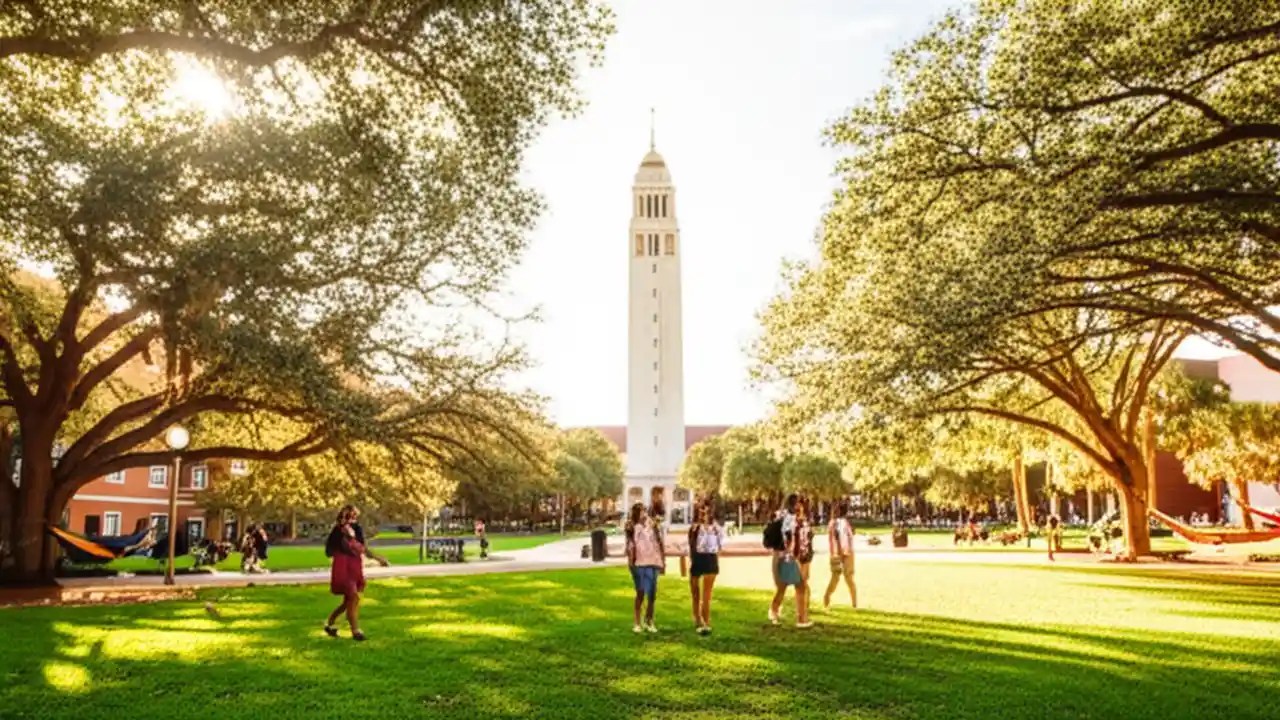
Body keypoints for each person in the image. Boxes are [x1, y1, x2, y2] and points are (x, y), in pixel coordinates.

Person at [324, 505, 389, 641]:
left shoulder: (357, 529)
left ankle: (329, 624)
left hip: (354, 566)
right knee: (354, 597)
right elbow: (328, 551)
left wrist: (378, 559)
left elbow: (362, 548)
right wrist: (341, 535)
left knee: (348, 601)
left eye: (353, 515)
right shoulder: (337, 531)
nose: (350, 518)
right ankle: (356, 631)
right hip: (343, 567)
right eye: (347, 515)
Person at [625, 502, 665, 633]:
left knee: (652, 595)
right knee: (641, 593)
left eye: (645, 511)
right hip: (639, 564)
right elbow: (630, 546)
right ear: (636, 514)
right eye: (642, 511)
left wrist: (662, 561)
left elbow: (658, 543)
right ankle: (637, 623)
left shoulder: (652, 526)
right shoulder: (632, 527)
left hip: (653, 562)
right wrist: (631, 562)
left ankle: (649, 621)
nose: (644, 513)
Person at [687, 500, 725, 635]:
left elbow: (720, 546)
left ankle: (705, 621)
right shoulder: (695, 528)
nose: (704, 513)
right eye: (702, 510)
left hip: (709, 558)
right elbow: (691, 546)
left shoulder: (715, 528)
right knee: (696, 592)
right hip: (699, 559)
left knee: (706, 594)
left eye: (707, 511)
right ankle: (698, 619)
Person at [769, 493, 803, 626]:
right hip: (786, 556)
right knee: (792, 586)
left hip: (782, 555)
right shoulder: (790, 518)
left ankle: (775, 611)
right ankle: (775, 611)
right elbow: (789, 536)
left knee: (790, 586)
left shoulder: (780, 515)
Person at [824, 502, 857, 609]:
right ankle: (826, 598)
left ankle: (854, 604)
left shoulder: (846, 522)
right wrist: (837, 553)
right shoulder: (833, 524)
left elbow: (849, 537)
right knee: (835, 578)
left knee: (849, 578)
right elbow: (833, 539)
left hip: (847, 553)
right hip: (836, 554)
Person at [793, 500, 815, 628]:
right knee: (801, 587)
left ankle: (803, 613)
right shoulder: (797, 523)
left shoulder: (803, 522)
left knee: (804, 586)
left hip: (805, 556)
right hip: (800, 556)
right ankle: (802, 618)